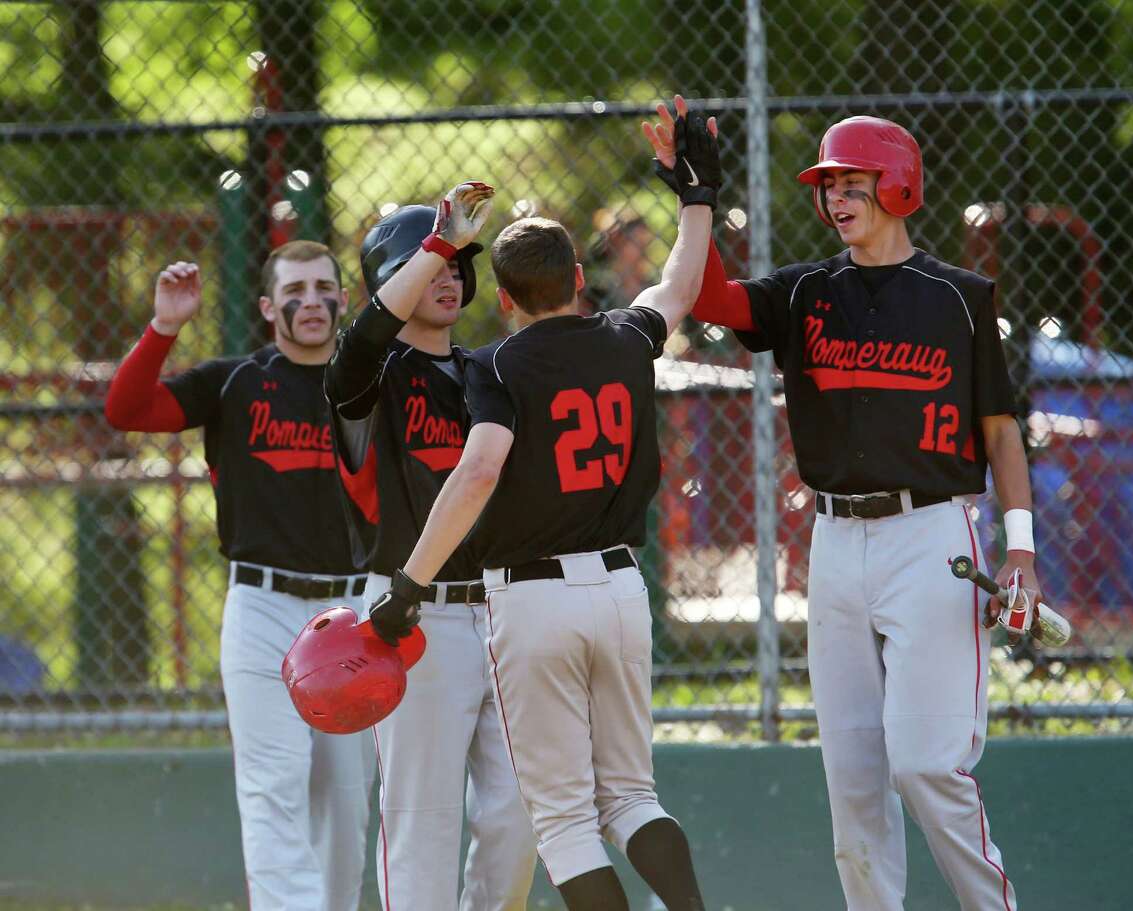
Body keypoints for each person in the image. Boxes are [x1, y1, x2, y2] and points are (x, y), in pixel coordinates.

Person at [361, 96, 720, 911]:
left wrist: (409, 584)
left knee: (559, 821)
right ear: (580, 280)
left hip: (531, 598)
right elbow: (680, 284)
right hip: (624, 587)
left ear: (507, 299)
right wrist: (694, 196)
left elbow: (481, 468)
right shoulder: (627, 336)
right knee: (631, 796)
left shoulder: (498, 363)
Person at [671, 114, 1034, 909]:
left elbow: (1001, 433)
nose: (836, 194)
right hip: (834, 543)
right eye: (828, 183)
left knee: (926, 764)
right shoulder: (805, 291)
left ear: (898, 184)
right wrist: (696, 201)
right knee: (853, 782)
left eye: (851, 178)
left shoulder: (960, 299)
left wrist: (1023, 550)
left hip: (933, 536)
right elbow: (715, 297)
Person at [104, 243, 373, 911]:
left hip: (350, 612)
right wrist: (164, 326)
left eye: (323, 288)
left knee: (346, 803)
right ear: (265, 306)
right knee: (272, 786)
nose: (309, 300)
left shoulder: (371, 384)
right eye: (294, 289)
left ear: (344, 300)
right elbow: (126, 410)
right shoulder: (236, 381)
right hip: (262, 607)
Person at [323, 196, 538, 909]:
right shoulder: (366, 381)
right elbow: (362, 338)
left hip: (505, 612)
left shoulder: (490, 374)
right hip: (412, 618)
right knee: (421, 821)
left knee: (520, 813)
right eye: (433, 264)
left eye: (459, 264)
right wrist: (433, 245)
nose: (450, 274)